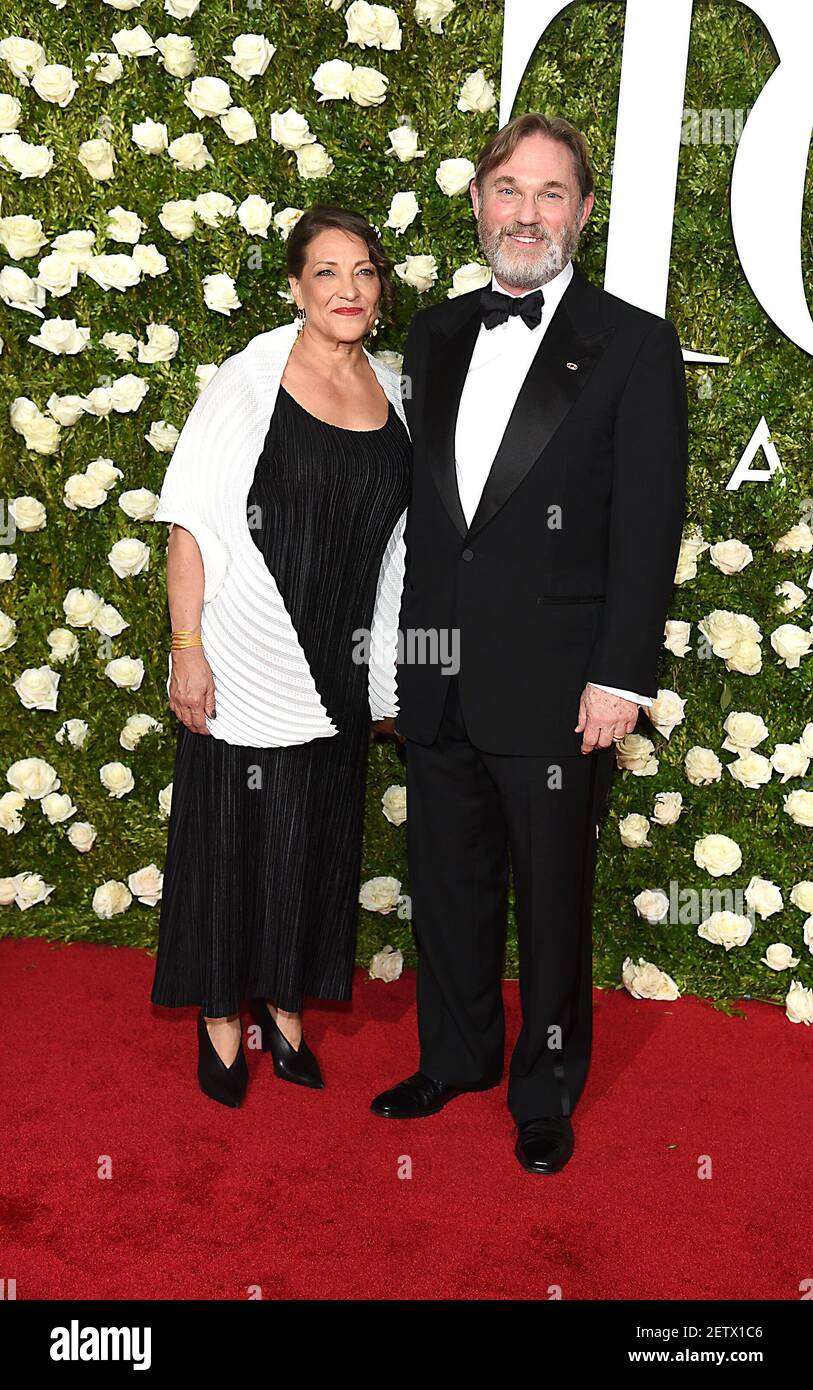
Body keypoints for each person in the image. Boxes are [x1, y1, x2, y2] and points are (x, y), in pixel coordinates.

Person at [370, 113, 689, 1172]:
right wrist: (405, 667)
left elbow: (649, 526)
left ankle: (544, 1089)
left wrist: (619, 676)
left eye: (551, 193)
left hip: (559, 688)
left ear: (583, 214)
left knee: (552, 904)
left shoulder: (634, 344)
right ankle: (456, 1056)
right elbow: (429, 517)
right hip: (442, 678)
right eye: (508, 189)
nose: (527, 212)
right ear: (477, 203)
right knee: (447, 885)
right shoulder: (434, 332)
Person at [150, 205, 411, 1108]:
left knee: (315, 837)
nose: (348, 289)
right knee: (231, 835)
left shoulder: (396, 390)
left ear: (379, 292)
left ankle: (287, 1001)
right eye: (327, 272)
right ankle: (223, 1013)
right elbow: (191, 519)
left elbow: (400, 544)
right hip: (249, 644)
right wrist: (186, 649)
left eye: (364, 272)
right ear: (296, 287)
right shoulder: (249, 378)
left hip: (340, 656)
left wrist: (387, 665)